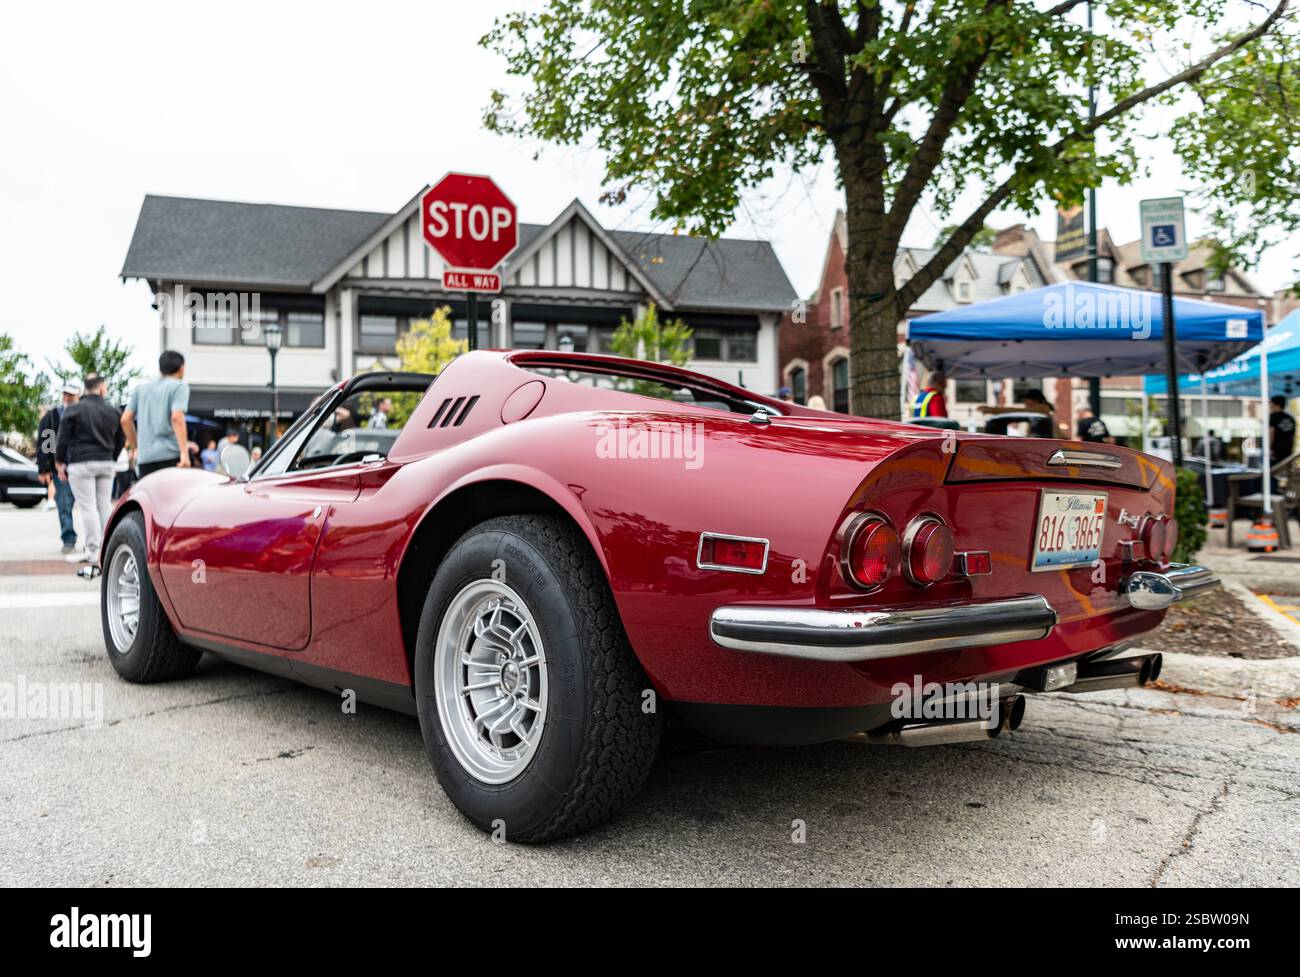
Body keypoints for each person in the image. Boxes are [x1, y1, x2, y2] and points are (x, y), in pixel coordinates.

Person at [55, 375, 124, 565]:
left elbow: (62, 439)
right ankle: (109, 548)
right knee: (104, 505)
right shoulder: (113, 411)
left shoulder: (74, 410)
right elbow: (121, 439)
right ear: (102, 388)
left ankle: (93, 550)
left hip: (81, 463)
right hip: (105, 462)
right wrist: (112, 458)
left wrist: (60, 462)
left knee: (88, 507)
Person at [122, 351, 191, 479]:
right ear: (182, 368)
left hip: (145, 458)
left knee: (149, 498)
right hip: (170, 456)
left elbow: (125, 419)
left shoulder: (141, 389)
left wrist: (136, 448)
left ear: (160, 369)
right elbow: (177, 417)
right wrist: (184, 453)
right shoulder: (180, 387)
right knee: (173, 498)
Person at [36, 382, 81, 553]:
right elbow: (45, 443)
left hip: (83, 465)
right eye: (66, 394)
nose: (68, 397)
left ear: (78, 395)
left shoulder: (84, 413)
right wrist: (44, 467)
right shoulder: (52, 416)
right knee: (64, 504)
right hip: (60, 467)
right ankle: (68, 539)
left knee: (91, 506)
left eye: (72, 394)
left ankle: (97, 542)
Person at [1270, 396, 1295, 462]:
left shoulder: (1273, 416)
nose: (1270, 406)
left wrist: (1269, 448)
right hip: (1288, 450)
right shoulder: (1291, 418)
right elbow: (1292, 435)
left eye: (1271, 404)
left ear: (1276, 405)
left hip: (1276, 451)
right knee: (1286, 470)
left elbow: (1271, 433)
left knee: (1274, 471)